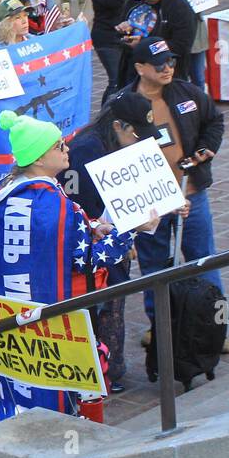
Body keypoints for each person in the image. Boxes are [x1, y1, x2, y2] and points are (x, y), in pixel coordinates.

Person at [0, 110, 135, 419]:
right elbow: (87, 260)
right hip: (52, 325)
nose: (67, 149)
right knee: (59, 406)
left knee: (20, 400)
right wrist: (130, 231)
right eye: (58, 146)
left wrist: (91, 228)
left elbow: (49, 242)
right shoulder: (53, 203)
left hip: (12, 320)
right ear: (38, 159)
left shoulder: (4, 196)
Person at [110, 37, 227, 341]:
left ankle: (216, 329)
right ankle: (159, 328)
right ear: (139, 67)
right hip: (152, 204)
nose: (168, 68)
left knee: (204, 260)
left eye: (171, 61)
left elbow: (215, 121)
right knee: (153, 268)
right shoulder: (121, 102)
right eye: (160, 63)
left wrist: (206, 149)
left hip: (192, 194)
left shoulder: (188, 92)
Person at [61, 92, 158, 393]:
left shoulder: (111, 144)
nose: (142, 142)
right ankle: (100, 371)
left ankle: (110, 369)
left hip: (115, 239)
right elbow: (86, 215)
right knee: (101, 305)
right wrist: (124, 232)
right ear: (118, 126)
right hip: (95, 247)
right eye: (138, 135)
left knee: (114, 302)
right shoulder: (86, 151)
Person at [116, 0, 198, 84]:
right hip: (133, 72)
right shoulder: (135, 0)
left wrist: (143, 44)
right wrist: (125, 32)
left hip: (166, 76)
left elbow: (182, 46)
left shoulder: (180, 8)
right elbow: (120, 31)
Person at [85, 0, 131, 100]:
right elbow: (114, 1)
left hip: (125, 35)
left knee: (124, 79)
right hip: (106, 38)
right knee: (116, 81)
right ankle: (105, 115)